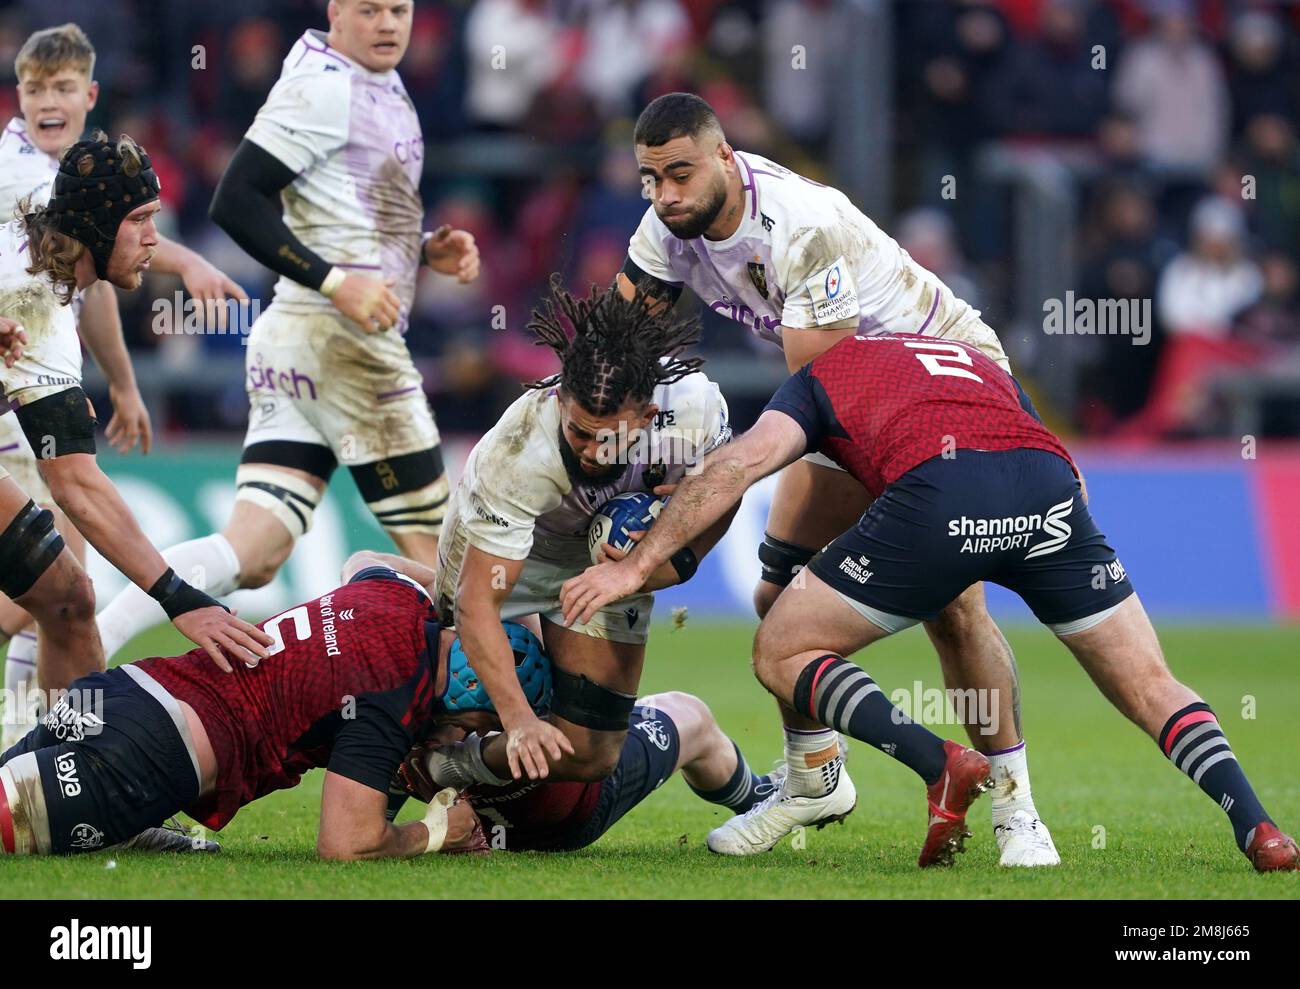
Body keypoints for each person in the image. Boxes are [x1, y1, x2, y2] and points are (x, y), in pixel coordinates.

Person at [561, 333, 1300, 872]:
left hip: (945, 497)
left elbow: (741, 465)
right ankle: (1260, 827)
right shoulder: (966, 353)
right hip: (1050, 486)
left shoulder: (822, 373)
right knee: (1150, 683)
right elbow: (1042, 440)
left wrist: (642, 564)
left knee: (781, 645)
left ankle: (939, 761)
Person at [616, 91, 1055, 865]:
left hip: (944, 380)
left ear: (725, 157)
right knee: (780, 596)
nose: (666, 195)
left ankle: (1018, 810)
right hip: (856, 385)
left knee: (951, 607)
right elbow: (615, 344)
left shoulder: (799, 226)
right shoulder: (669, 224)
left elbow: (819, 403)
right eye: (651, 179)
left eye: (680, 174)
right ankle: (815, 777)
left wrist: (708, 482)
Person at [91, 0, 481, 661]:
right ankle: (496, 737)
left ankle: (96, 637)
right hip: (344, 348)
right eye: (369, 9)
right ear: (335, 10)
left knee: (256, 550)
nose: (388, 24)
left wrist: (418, 249)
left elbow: (337, 217)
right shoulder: (321, 87)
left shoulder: (376, 82)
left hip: (299, 342)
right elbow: (235, 199)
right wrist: (338, 283)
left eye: (399, 9)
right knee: (456, 564)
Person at [384, 279, 750, 810]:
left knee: (591, 754)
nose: (594, 452)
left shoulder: (693, 411)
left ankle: (453, 767)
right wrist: (519, 723)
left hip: (611, 561)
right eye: (580, 432)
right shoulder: (515, 455)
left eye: (611, 436)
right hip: (523, 552)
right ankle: (394, 786)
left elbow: (724, 489)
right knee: (452, 689)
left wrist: (677, 560)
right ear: (560, 399)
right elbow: (476, 601)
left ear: (648, 417)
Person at [0, 23, 254, 747]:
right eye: (141, 220)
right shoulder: (33, 298)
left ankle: (77, 778)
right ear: (97, 225)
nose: (155, 239)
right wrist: (180, 599)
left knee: (67, 597)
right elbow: (79, 486)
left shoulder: (53, 285)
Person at [0, 553, 550, 860]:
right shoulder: (392, 694)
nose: (458, 741)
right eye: (474, 728)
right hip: (147, 757)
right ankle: (125, 817)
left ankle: (126, 825)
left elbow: (363, 558)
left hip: (122, 692)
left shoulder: (395, 593)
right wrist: (436, 831)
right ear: (469, 696)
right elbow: (346, 844)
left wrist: (471, 604)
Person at [397, 691, 789, 853]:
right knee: (691, 713)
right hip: (577, 805)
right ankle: (761, 799)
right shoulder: (510, 602)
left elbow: (365, 561)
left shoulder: (389, 701)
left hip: (487, 818)